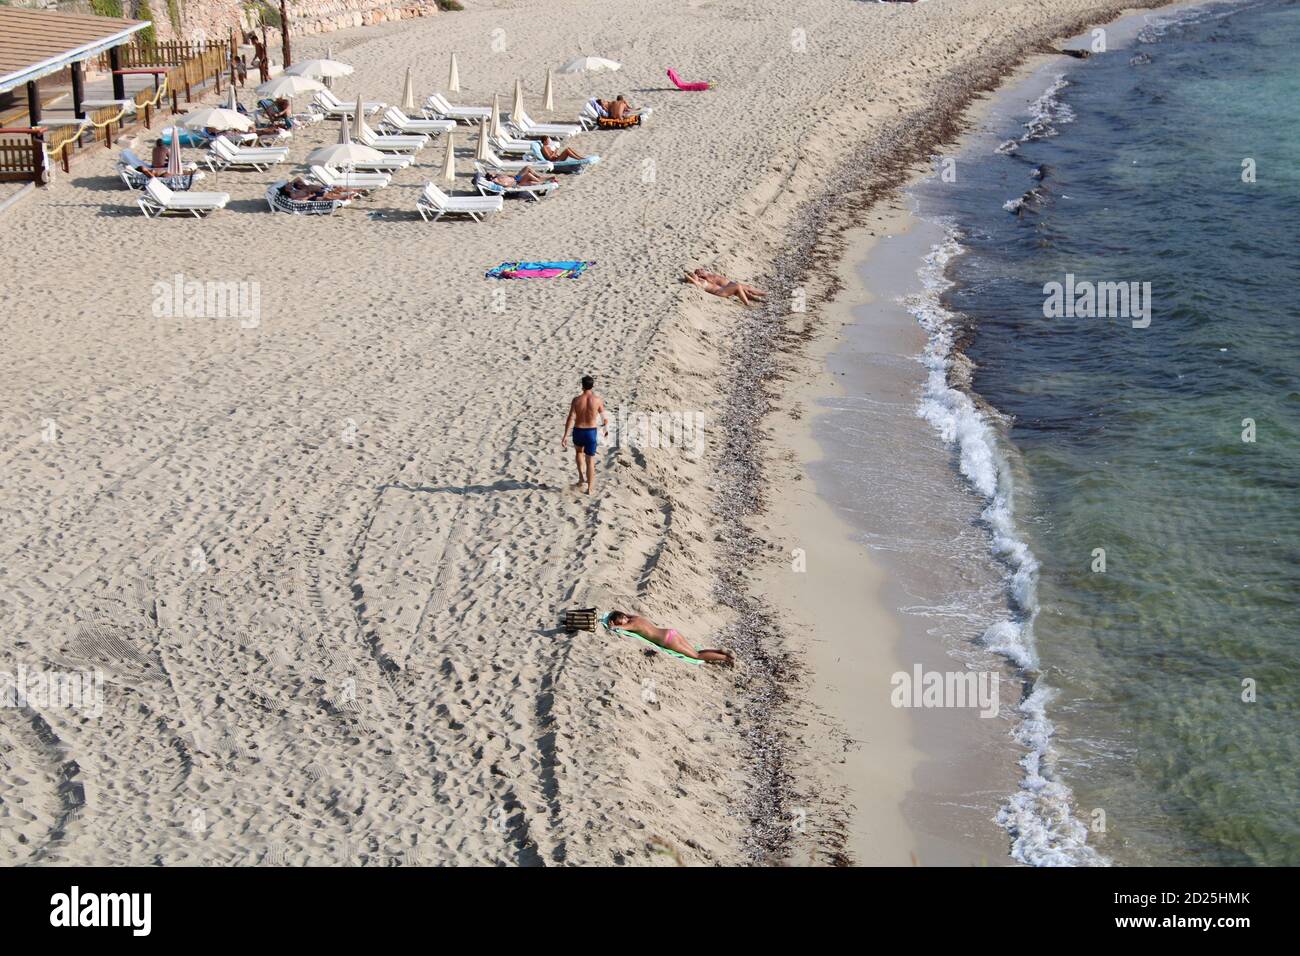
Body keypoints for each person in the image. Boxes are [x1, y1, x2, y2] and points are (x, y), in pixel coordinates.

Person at [607, 611, 735, 665]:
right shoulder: (635, 618)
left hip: (668, 641)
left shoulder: (632, 624)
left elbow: (617, 629)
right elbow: (625, 618)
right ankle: (719, 651)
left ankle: (725, 657)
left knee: (696, 656)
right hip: (671, 632)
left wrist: (613, 626)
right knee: (696, 652)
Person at [561, 375, 608, 495]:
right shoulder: (597, 400)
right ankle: (590, 488)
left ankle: (581, 478)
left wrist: (565, 435)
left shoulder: (576, 400)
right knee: (590, 460)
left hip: (578, 430)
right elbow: (604, 418)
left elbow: (571, 417)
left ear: (582, 386)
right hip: (591, 432)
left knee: (579, 453)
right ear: (592, 386)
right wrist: (605, 429)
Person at [683, 268, 767, 306]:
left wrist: (693, 275)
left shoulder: (702, 280)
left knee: (740, 289)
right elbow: (691, 280)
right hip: (719, 292)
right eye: (695, 275)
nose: (696, 276)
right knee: (738, 287)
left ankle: (760, 297)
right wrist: (687, 276)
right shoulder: (698, 283)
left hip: (722, 289)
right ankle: (747, 304)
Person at [280, 176, 359, 203]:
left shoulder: (295, 187)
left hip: (315, 191)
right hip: (312, 197)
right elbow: (299, 200)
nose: (289, 183)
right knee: (327, 197)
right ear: (286, 189)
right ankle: (346, 197)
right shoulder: (292, 194)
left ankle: (355, 191)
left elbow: (298, 178)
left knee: (335, 190)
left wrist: (291, 182)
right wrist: (309, 196)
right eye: (287, 184)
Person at [482, 166, 557, 188]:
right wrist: (514, 185)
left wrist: (513, 175)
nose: (493, 174)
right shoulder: (495, 181)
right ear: (490, 178)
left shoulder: (498, 175)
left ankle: (540, 178)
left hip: (516, 178)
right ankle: (543, 181)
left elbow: (508, 176)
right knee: (528, 175)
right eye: (491, 174)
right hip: (517, 182)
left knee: (527, 168)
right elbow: (505, 185)